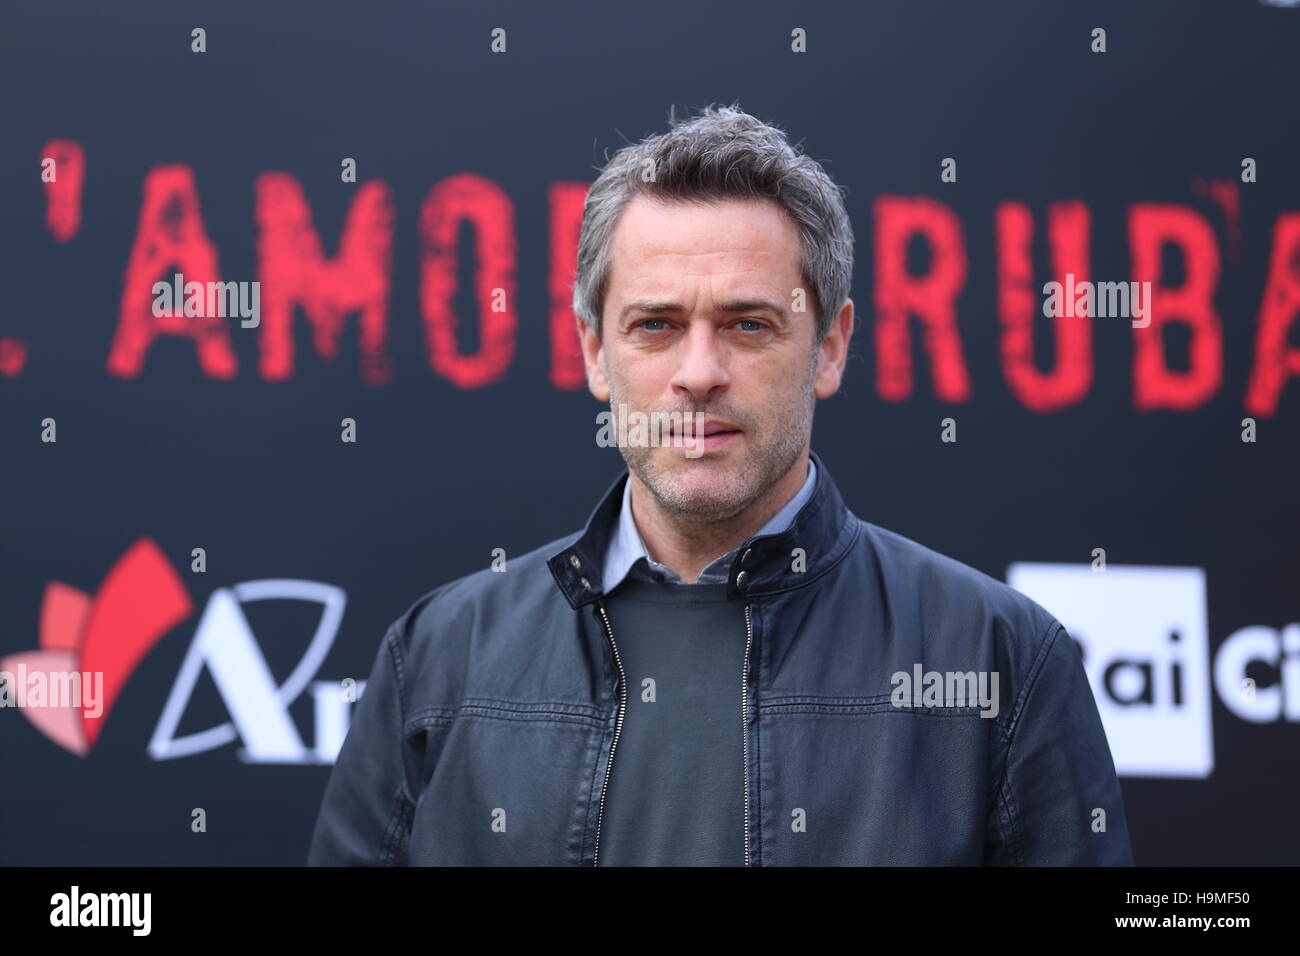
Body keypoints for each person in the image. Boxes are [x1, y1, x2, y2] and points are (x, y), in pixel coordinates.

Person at [307, 103, 1133, 866]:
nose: (699, 374)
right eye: (656, 326)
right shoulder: (437, 661)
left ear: (831, 347)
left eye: (748, 324)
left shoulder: (1002, 662)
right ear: (596, 353)